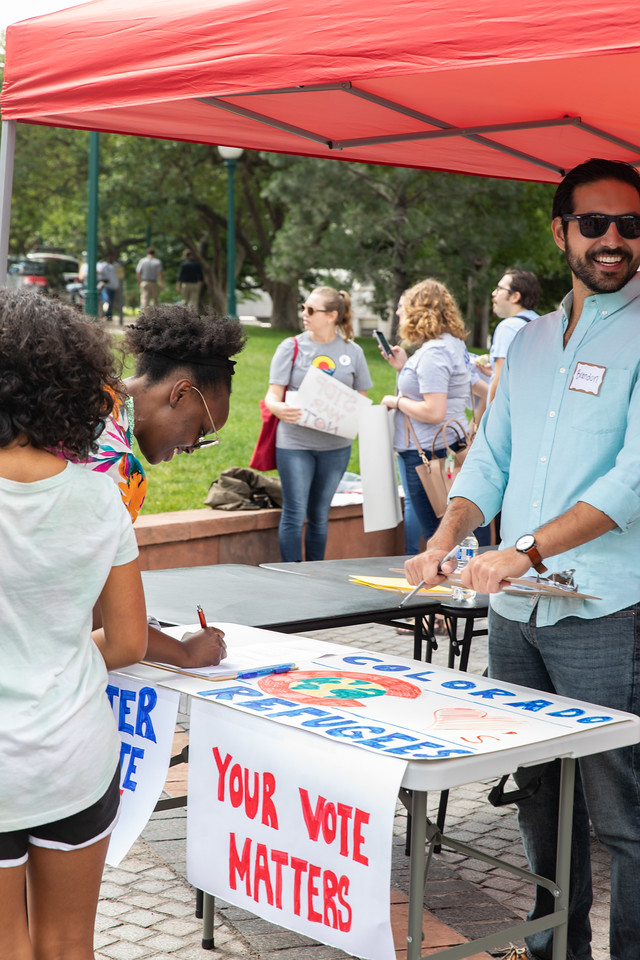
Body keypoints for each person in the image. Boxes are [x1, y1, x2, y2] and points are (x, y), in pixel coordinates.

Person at [405, 157, 640, 960]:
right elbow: (491, 457)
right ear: (561, 232)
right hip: (517, 614)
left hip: (609, 610)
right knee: (538, 796)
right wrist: (446, 537)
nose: (613, 240)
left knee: (624, 815)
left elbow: (633, 479)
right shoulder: (531, 341)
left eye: (630, 226)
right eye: (595, 224)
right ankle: (554, 951)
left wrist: (525, 549)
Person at [0, 289, 148, 957]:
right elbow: (128, 641)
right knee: (67, 944)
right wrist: (59, 654)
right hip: (74, 758)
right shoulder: (100, 498)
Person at [76, 303, 246, 669]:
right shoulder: (113, 461)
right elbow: (95, 607)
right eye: (201, 430)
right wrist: (184, 653)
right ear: (180, 394)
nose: (192, 447)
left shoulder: (83, 402)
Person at [264, 286, 372, 562]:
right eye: (304, 307)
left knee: (319, 516)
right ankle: (290, 574)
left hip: (336, 447)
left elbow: (361, 399)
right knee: (294, 513)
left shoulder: (353, 352)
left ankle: (314, 573)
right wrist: (278, 408)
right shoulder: (291, 346)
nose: (305, 314)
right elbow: (272, 395)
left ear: (332, 315)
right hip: (294, 443)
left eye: (311, 310)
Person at [380, 279, 487, 545]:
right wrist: (404, 367)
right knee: (452, 533)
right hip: (446, 447)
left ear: (419, 311)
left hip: (427, 454)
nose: (398, 313)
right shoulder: (453, 345)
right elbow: (482, 391)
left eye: (403, 307)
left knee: (437, 536)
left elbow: (434, 411)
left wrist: (396, 402)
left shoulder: (433, 353)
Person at [483, 268, 540, 403]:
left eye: (499, 289)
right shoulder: (540, 323)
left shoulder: (508, 327)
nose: (493, 293)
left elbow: (500, 380)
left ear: (515, 296)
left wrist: (490, 414)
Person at [96, 252, 119, 321]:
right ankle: (106, 314)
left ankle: (109, 314)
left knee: (111, 301)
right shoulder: (103, 265)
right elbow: (100, 275)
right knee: (106, 300)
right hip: (106, 286)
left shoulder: (116, 265)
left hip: (114, 286)